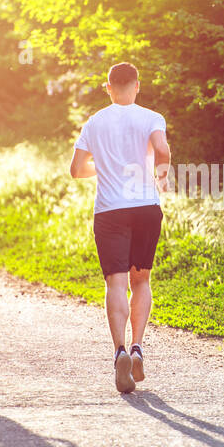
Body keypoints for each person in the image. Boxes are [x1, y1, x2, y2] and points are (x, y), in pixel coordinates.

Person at [69, 62, 171, 393]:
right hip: (145, 208)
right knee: (141, 280)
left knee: (116, 282)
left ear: (108, 88)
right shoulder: (151, 117)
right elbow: (162, 149)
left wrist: (106, 168)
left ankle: (119, 353)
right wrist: (162, 175)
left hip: (110, 212)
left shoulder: (94, 122)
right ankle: (138, 347)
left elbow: (76, 170)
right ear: (137, 85)